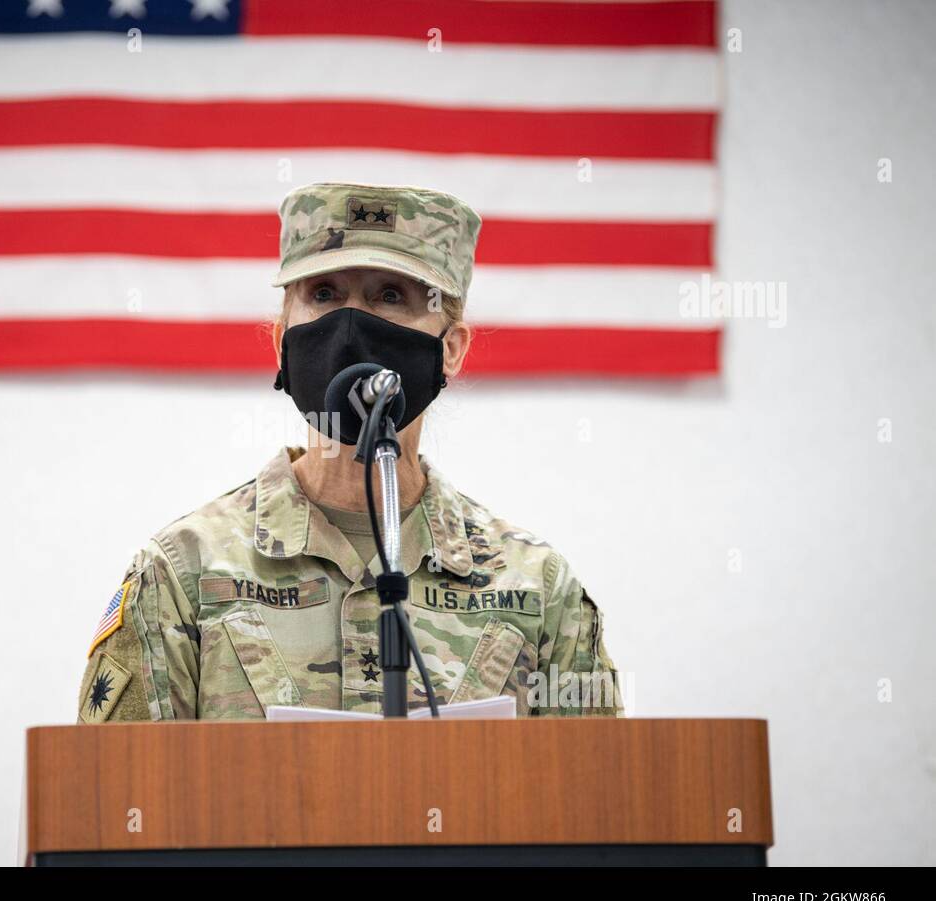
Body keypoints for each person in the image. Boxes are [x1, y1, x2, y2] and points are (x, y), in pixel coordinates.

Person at [76, 182, 622, 723]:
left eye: (391, 295)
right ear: (280, 341)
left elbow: (597, 794)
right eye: (323, 295)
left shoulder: (536, 588)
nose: (352, 327)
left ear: (450, 349)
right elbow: (118, 793)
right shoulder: (183, 573)